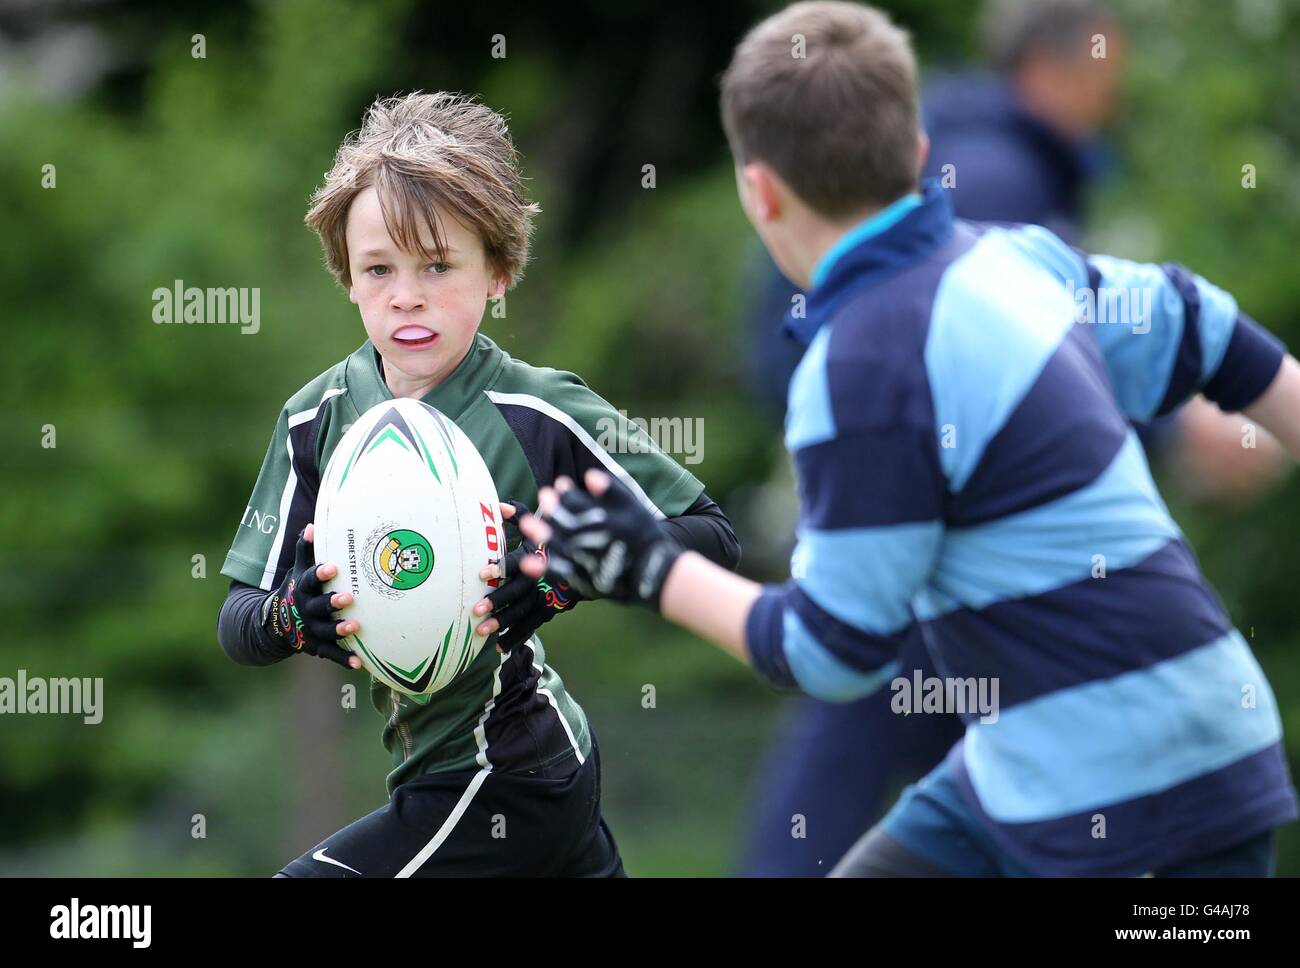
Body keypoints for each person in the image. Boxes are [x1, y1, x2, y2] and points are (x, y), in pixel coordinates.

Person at [518, 2, 1300, 876]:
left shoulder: (861, 368)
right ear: (919, 154)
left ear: (759, 191)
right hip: (1035, 766)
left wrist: (651, 568)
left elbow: (833, 650)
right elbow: (1204, 326)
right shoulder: (1013, 255)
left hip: (1144, 791)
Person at [215, 92, 740, 877]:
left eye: (438, 265)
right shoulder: (314, 419)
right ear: (348, 280)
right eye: (378, 269)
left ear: (498, 271)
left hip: (515, 771)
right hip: (445, 775)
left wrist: (568, 573)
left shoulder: (542, 408)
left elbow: (712, 535)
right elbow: (238, 621)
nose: (406, 295)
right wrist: (294, 618)